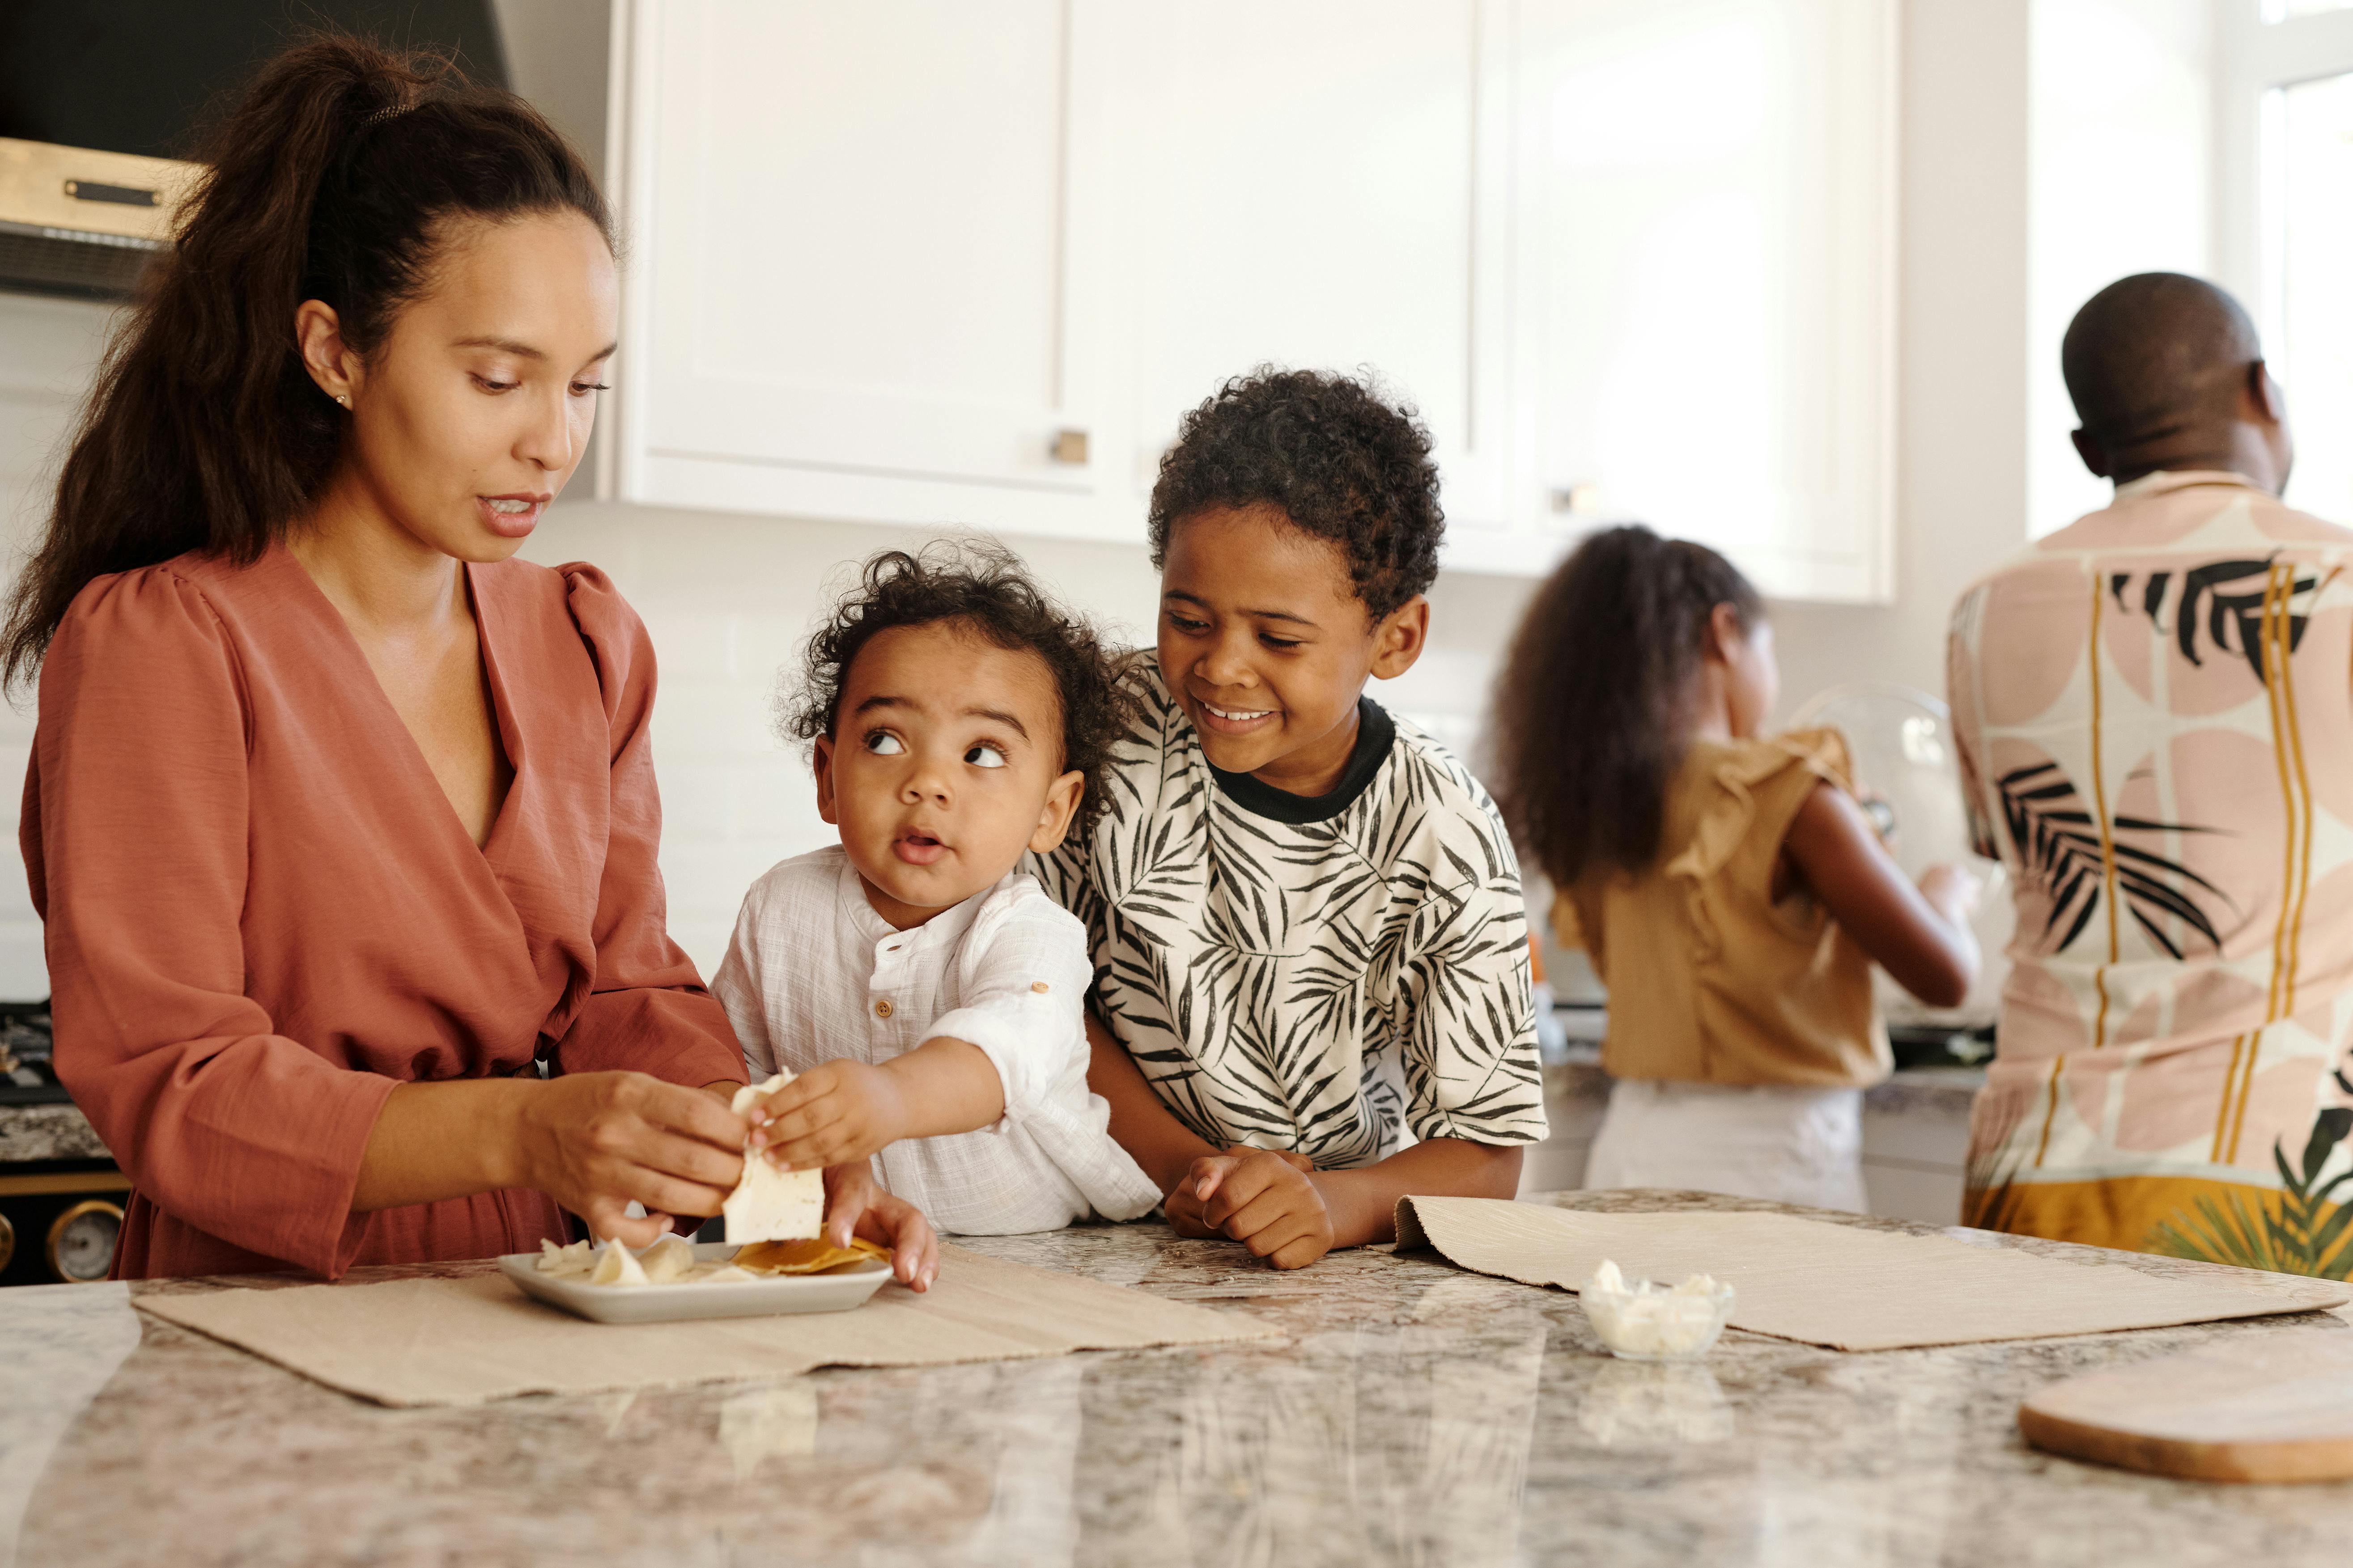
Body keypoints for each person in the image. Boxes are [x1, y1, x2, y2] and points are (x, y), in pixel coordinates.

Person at [9, 38, 933, 1285]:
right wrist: (523, 1129)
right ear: (335, 352)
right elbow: (178, 1085)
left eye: (585, 388)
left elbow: (625, 990)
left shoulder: (585, 641)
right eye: (499, 379)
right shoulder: (165, 646)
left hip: (533, 1291)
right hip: (257, 1311)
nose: (554, 443)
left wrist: (774, 1158)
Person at [1030, 368, 1550, 1271]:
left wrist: (1327, 1205)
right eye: (1186, 617)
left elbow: (1487, 1154)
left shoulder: (1444, 832)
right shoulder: (1100, 725)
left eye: (1278, 639)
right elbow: (1028, 988)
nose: (1221, 667)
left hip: (1317, 1258)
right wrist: (1189, 1172)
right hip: (1089, 1224)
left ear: (1393, 639)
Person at [1951, 272, 2353, 1272]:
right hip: (2289, 1173)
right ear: (2265, 390)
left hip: (2037, 1166)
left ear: (2091, 453)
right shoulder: (2338, 582)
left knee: (2037, 1435)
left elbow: (2012, 854)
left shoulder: (1983, 610)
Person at [1489, 526, 1981, 1210]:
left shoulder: (1600, 806)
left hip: (1629, 1145)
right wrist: (1943, 896)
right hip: (1770, 1160)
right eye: (1769, 648)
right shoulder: (1783, 787)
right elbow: (1945, 977)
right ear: (1725, 633)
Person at [713, 545, 1162, 1233]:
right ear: (828, 776)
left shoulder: (1032, 932)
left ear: (1051, 811)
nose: (927, 780)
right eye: (887, 740)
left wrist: (890, 1096)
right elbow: (731, 1063)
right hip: (852, 1238)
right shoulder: (780, 906)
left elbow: (1007, 1049)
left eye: (981, 753)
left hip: (1052, 1254)